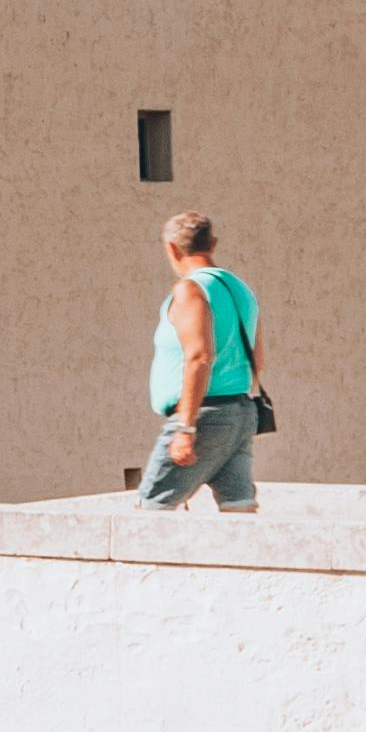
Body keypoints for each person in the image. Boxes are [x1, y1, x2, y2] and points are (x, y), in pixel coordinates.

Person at [140, 208, 267, 513]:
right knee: (239, 505)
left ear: (171, 248)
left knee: (151, 508)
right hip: (241, 410)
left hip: (203, 414)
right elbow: (258, 358)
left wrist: (186, 427)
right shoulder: (241, 290)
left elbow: (199, 356)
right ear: (212, 243)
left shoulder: (190, 289)